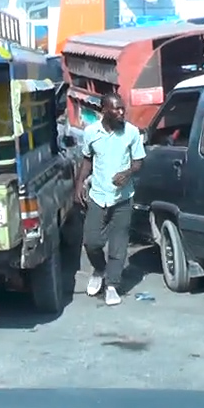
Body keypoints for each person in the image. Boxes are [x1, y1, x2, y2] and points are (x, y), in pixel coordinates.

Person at [74, 92, 145, 307]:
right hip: (98, 195)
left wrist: (127, 173)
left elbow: (139, 161)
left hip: (123, 198)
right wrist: (79, 185)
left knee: (119, 243)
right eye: (117, 109)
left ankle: (112, 285)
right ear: (104, 111)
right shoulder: (91, 133)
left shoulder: (131, 132)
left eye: (123, 108)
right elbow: (87, 160)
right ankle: (99, 270)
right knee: (91, 241)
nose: (122, 112)